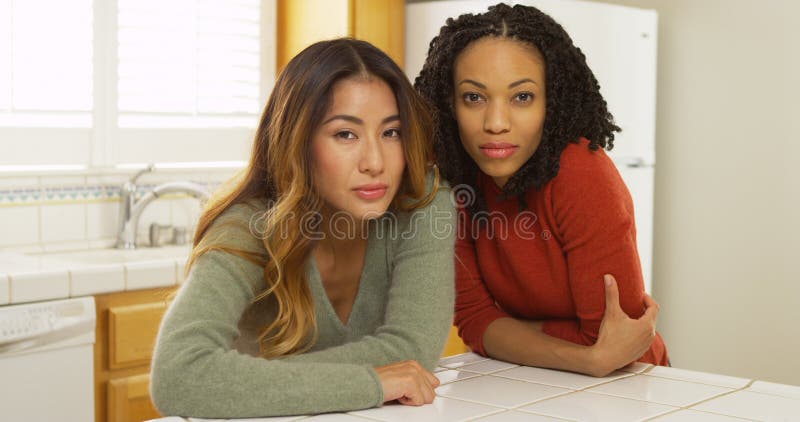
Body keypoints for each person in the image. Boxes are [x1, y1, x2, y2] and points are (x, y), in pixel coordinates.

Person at [150, 38, 456, 418]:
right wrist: (371, 383)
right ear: (297, 142)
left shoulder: (422, 201)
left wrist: (245, 381)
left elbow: (413, 349)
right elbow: (179, 376)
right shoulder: (248, 227)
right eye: (346, 134)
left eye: (391, 132)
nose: (376, 162)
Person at [414, 3, 669, 377]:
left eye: (522, 97)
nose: (496, 123)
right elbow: (472, 320)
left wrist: (505, 330)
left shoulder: (580, 173)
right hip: (523, 381)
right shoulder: (450, 181)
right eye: (474, 97)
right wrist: (587, 357)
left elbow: (615, 340)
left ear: (551, 102)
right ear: (449, 104)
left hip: (629, 385)